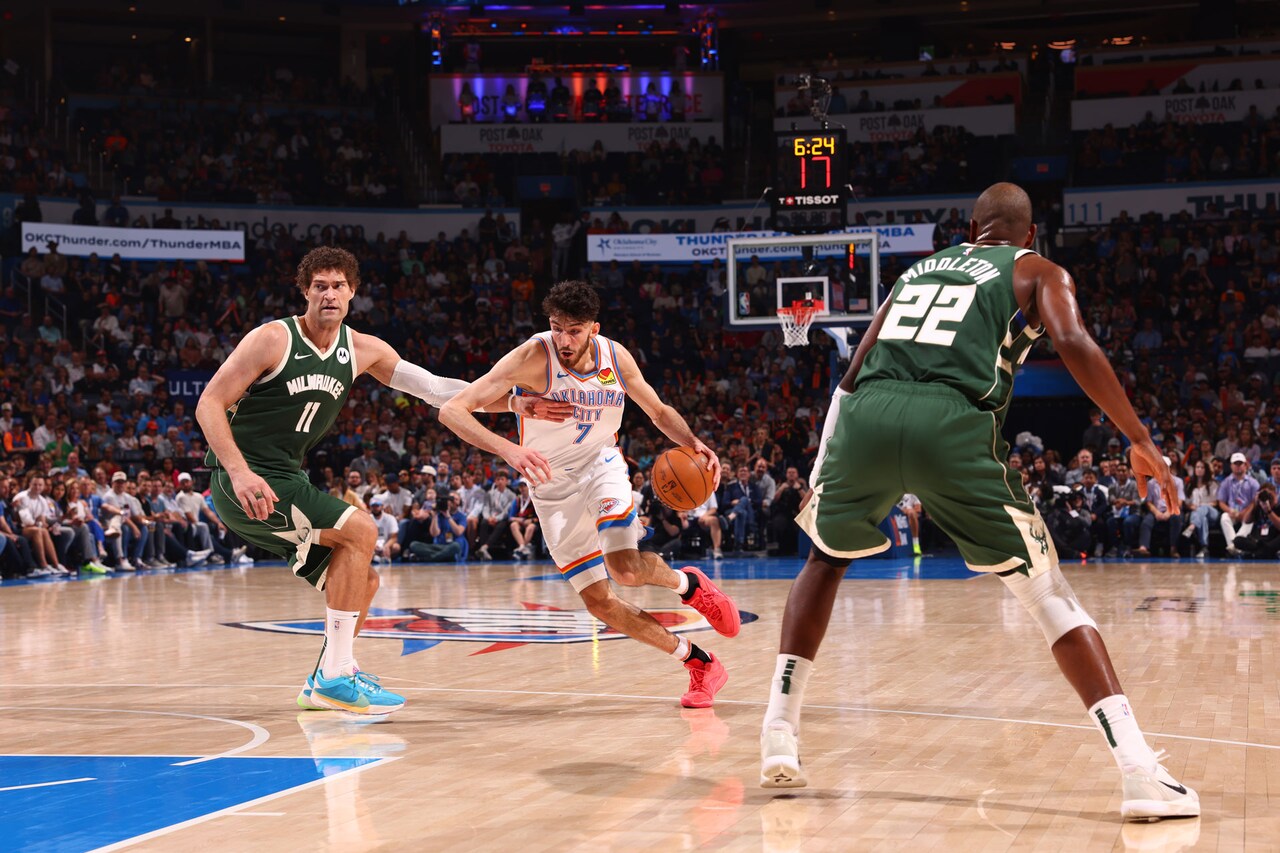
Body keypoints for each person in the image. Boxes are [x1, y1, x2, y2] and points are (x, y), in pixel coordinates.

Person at [757, 183, 1199, 820]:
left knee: (824, 560)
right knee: (1048, 595)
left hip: (864, 415)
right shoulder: (1039, 271)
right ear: (1029, 235)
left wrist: (831, 457)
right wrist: (1138, 436)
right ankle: (1138, 771)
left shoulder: (916, 271)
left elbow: (852, 372)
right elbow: (1073, 341)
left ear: (971, 230)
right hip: (952, 421)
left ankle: (778, 730)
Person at [196, 246, 570, 716]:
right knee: (362, 529)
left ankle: (325, 679)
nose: (329, 294)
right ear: (304, 292)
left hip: (286, 477)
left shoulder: (363, 349)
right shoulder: (272, 339)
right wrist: (239, 471)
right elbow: (209, 403)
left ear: (352, 292)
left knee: (364, 581)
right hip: (243, 479)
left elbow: (435, 388)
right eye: (319, 286)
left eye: (338, 286)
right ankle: (336, 677)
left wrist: (514, 402)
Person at [440, 280, 739, 709]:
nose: (563, 340)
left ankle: (689, 586)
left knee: (626, 569)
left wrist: (693, 443)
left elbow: (657, 411)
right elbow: (453, 409)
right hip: (550, 488)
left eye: (574, 330)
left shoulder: (615, 357)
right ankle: (700, 663)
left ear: (594, 329)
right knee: (600, 603)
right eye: (557, 328)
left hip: (601, 465)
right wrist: (509, 448)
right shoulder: (532, 356)